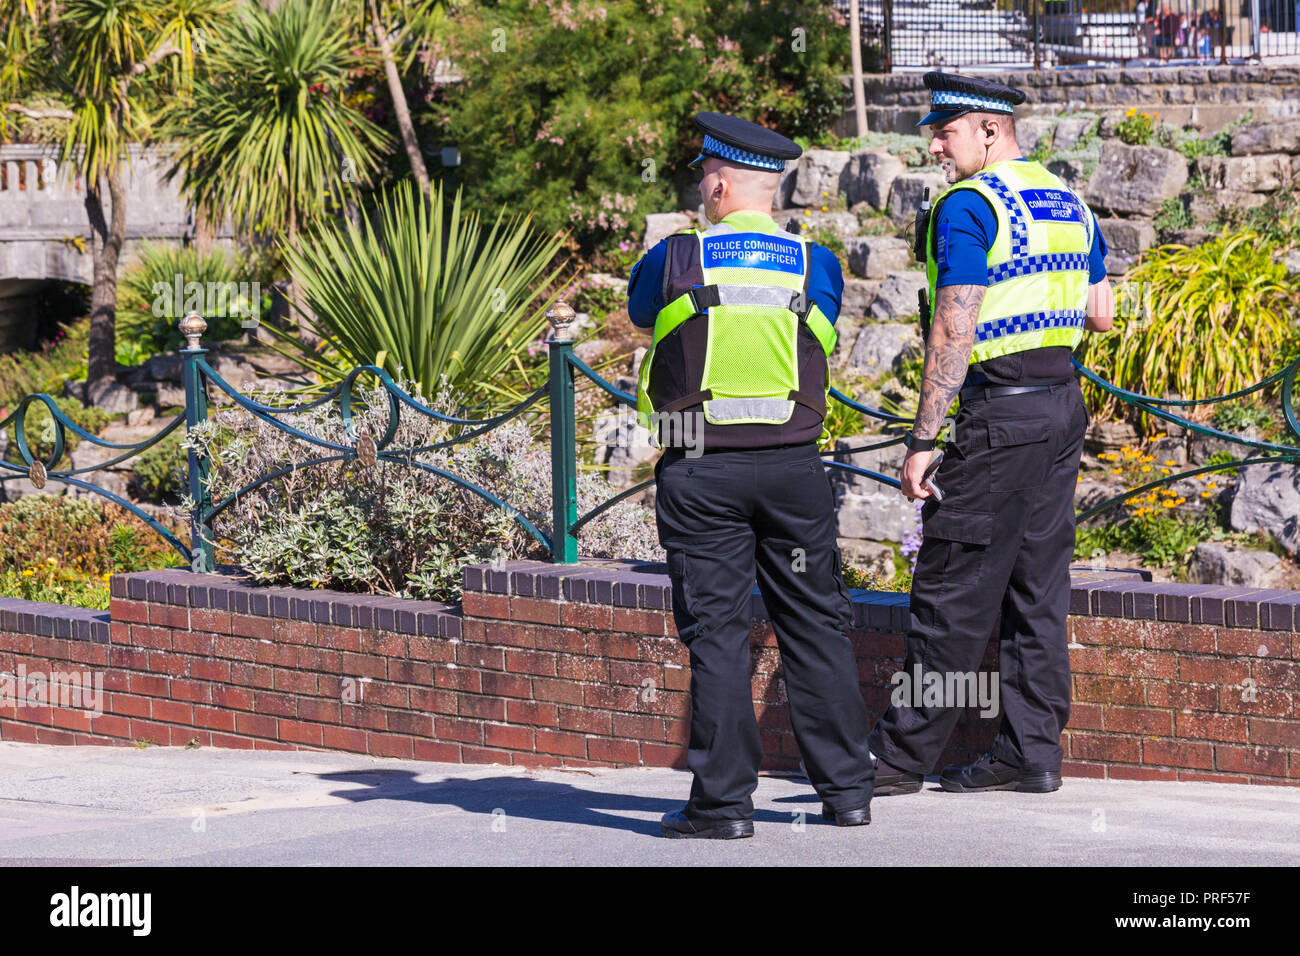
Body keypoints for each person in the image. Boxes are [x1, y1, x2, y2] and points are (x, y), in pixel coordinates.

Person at [864, 72, 1114, 796]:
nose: (936, 147)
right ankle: (1031, 753)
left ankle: (896, 760)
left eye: (945, 132)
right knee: (1037, 589)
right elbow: (1101, 312)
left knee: (952, 586)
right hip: (1061, 408)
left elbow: (956, 318)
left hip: (1001, 412)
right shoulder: (1070, 201)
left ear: (990, 130)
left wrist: (923, 438)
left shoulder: (970, 205)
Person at [627, 112, 875, 838]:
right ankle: (848, 793)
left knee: (719, 633)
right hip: (795, 470)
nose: (702, 184)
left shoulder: (677, 257)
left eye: (706, 174)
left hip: (702, 470)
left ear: (722, 182)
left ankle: (724, 805)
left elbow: (644, 315)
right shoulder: (815, 262)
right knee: (816, 624)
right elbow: (822, 330)